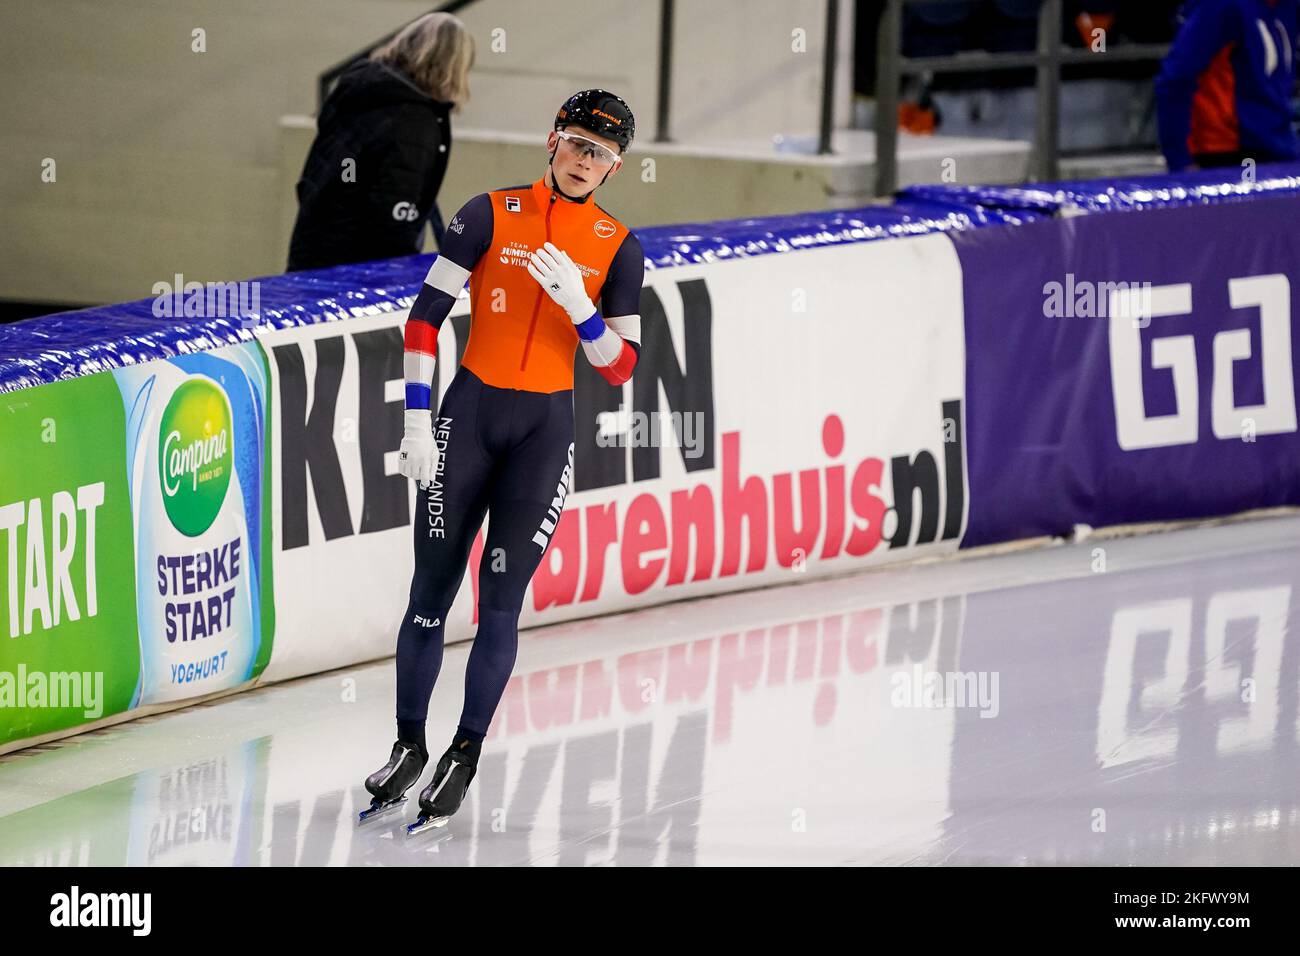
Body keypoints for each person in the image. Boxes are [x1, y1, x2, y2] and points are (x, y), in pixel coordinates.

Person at [360, 90, 644, 831]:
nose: (586, 162)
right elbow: (423, 323)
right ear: (552, 142)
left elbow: (620, 367)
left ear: (615, 169)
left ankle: (464, 751)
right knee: (430, 590)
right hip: (469, 419)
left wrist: (581, 309)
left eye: (602, 156)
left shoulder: (620, 247)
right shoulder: (486, 214)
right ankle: (408, 745)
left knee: (500, 604)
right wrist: (416, 421)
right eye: (578, 145)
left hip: (542, 437)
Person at [287, 12, 474, 272]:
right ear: (453, 67)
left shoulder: (358, 87)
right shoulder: (416, 121)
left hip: (313, 241)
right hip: (357, 266)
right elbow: (394, 211)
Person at [1155, 0, 1299, 171]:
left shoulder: (1288, 7)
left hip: (1279, 146)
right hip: (1229, 151)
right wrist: (1179, 160)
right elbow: (1175, 78)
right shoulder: (1221, 6)